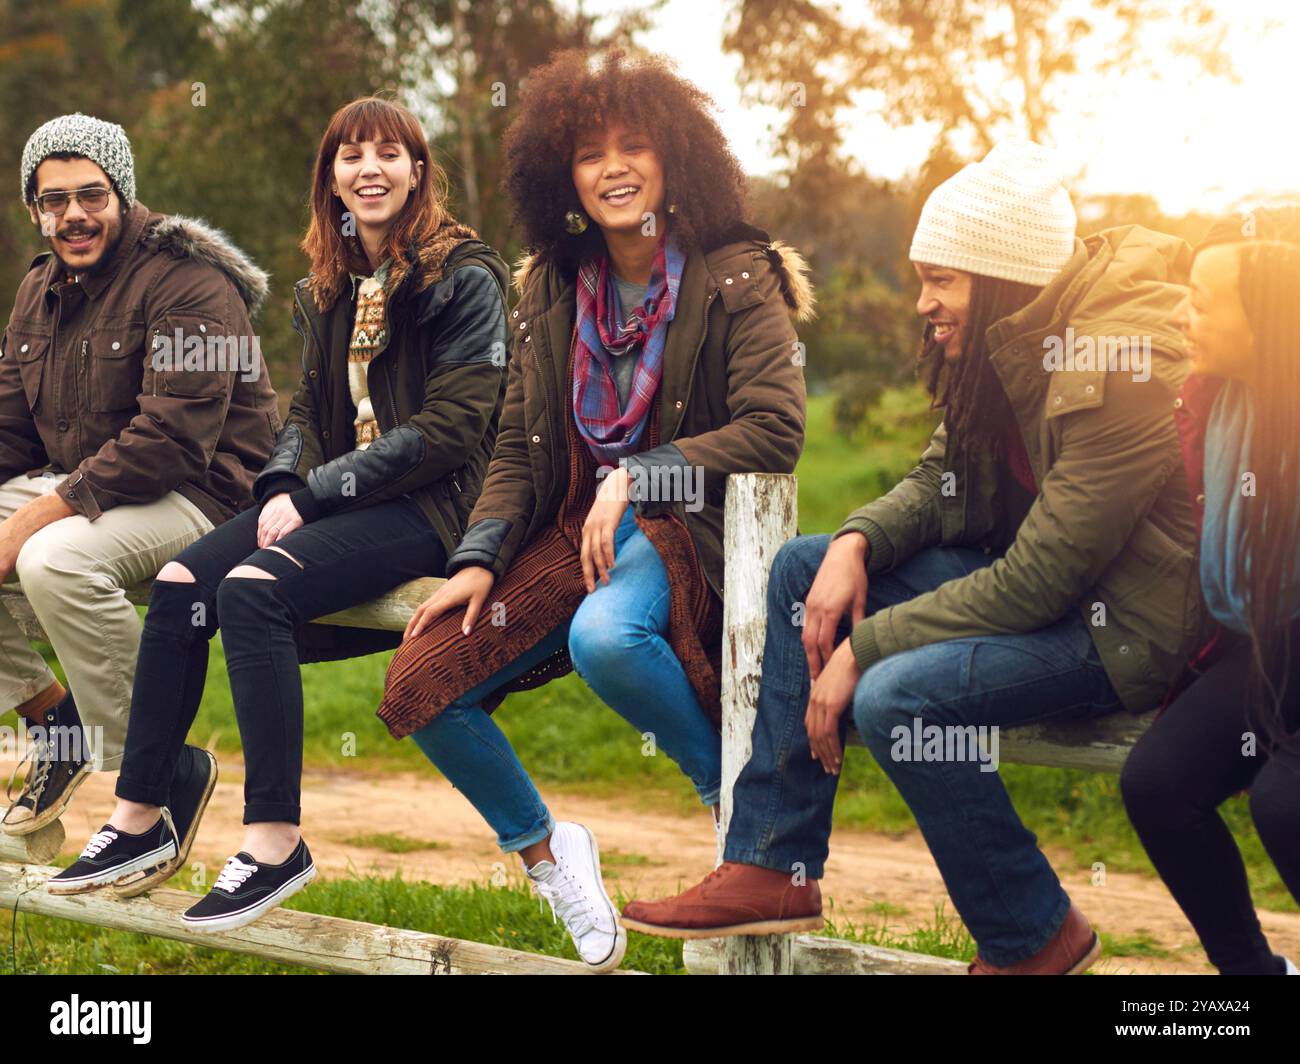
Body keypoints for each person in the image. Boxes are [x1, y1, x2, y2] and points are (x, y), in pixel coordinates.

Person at [621, 139, 1202, 976]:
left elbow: (1045, 577)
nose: (924, 302)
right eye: (922, 276)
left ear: (1002, 274)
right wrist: (857, 541)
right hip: (1044, 591)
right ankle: (771, 865)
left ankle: (1034, 935)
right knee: (800, 573)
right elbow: (943, 477)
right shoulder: (1013, 338)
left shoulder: (1119, 362)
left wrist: (866, 646)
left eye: (943, 279)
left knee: (901, 698)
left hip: (1120, 627)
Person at [376, 49, 812, 973]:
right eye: (589, 153)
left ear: (673, 157)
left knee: (609, 640)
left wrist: (638, 475)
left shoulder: (737, 270)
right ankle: (550, 856)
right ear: (561, 175)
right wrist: (478, 558)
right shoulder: (549, 284)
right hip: (569, 531)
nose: (613, 167)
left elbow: (775, 428)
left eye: (634, 146)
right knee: (419, 684)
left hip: (681, 526)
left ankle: (741, 812)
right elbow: (513, 444)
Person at [50, 97, 509, 935]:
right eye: (350, 155)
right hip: (339, 495)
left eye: (388, 153)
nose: (368, 169)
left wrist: (317, 492)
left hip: (433, 507)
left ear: (418, 171)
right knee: (185, 578)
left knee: (252, 591)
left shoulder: (465, 277)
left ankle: (273, 843)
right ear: (330, 178)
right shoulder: (328, 286)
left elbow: (450, 432)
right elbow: (302, 409)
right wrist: (279, 487)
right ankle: (138, 822)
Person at [2, 113, 280, 836]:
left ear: (122, 194)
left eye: (90, 195)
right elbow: (9, 429)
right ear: (35, 211)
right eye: (53, 200)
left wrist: (32, 518)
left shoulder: (189, 281)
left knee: (52, 560)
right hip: (92, 485)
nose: (73, 216)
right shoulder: (39, 291)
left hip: (204, 492)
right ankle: (55, 725)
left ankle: (155, 777)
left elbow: (172, 440)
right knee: (39, 546)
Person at [1120, 208, 1300, 976]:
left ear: (1262, 319)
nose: (1182, 314)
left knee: (1284, 806)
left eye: (1201, 299)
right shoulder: (1213, 402)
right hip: (1262, 648)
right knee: (1158, 784)